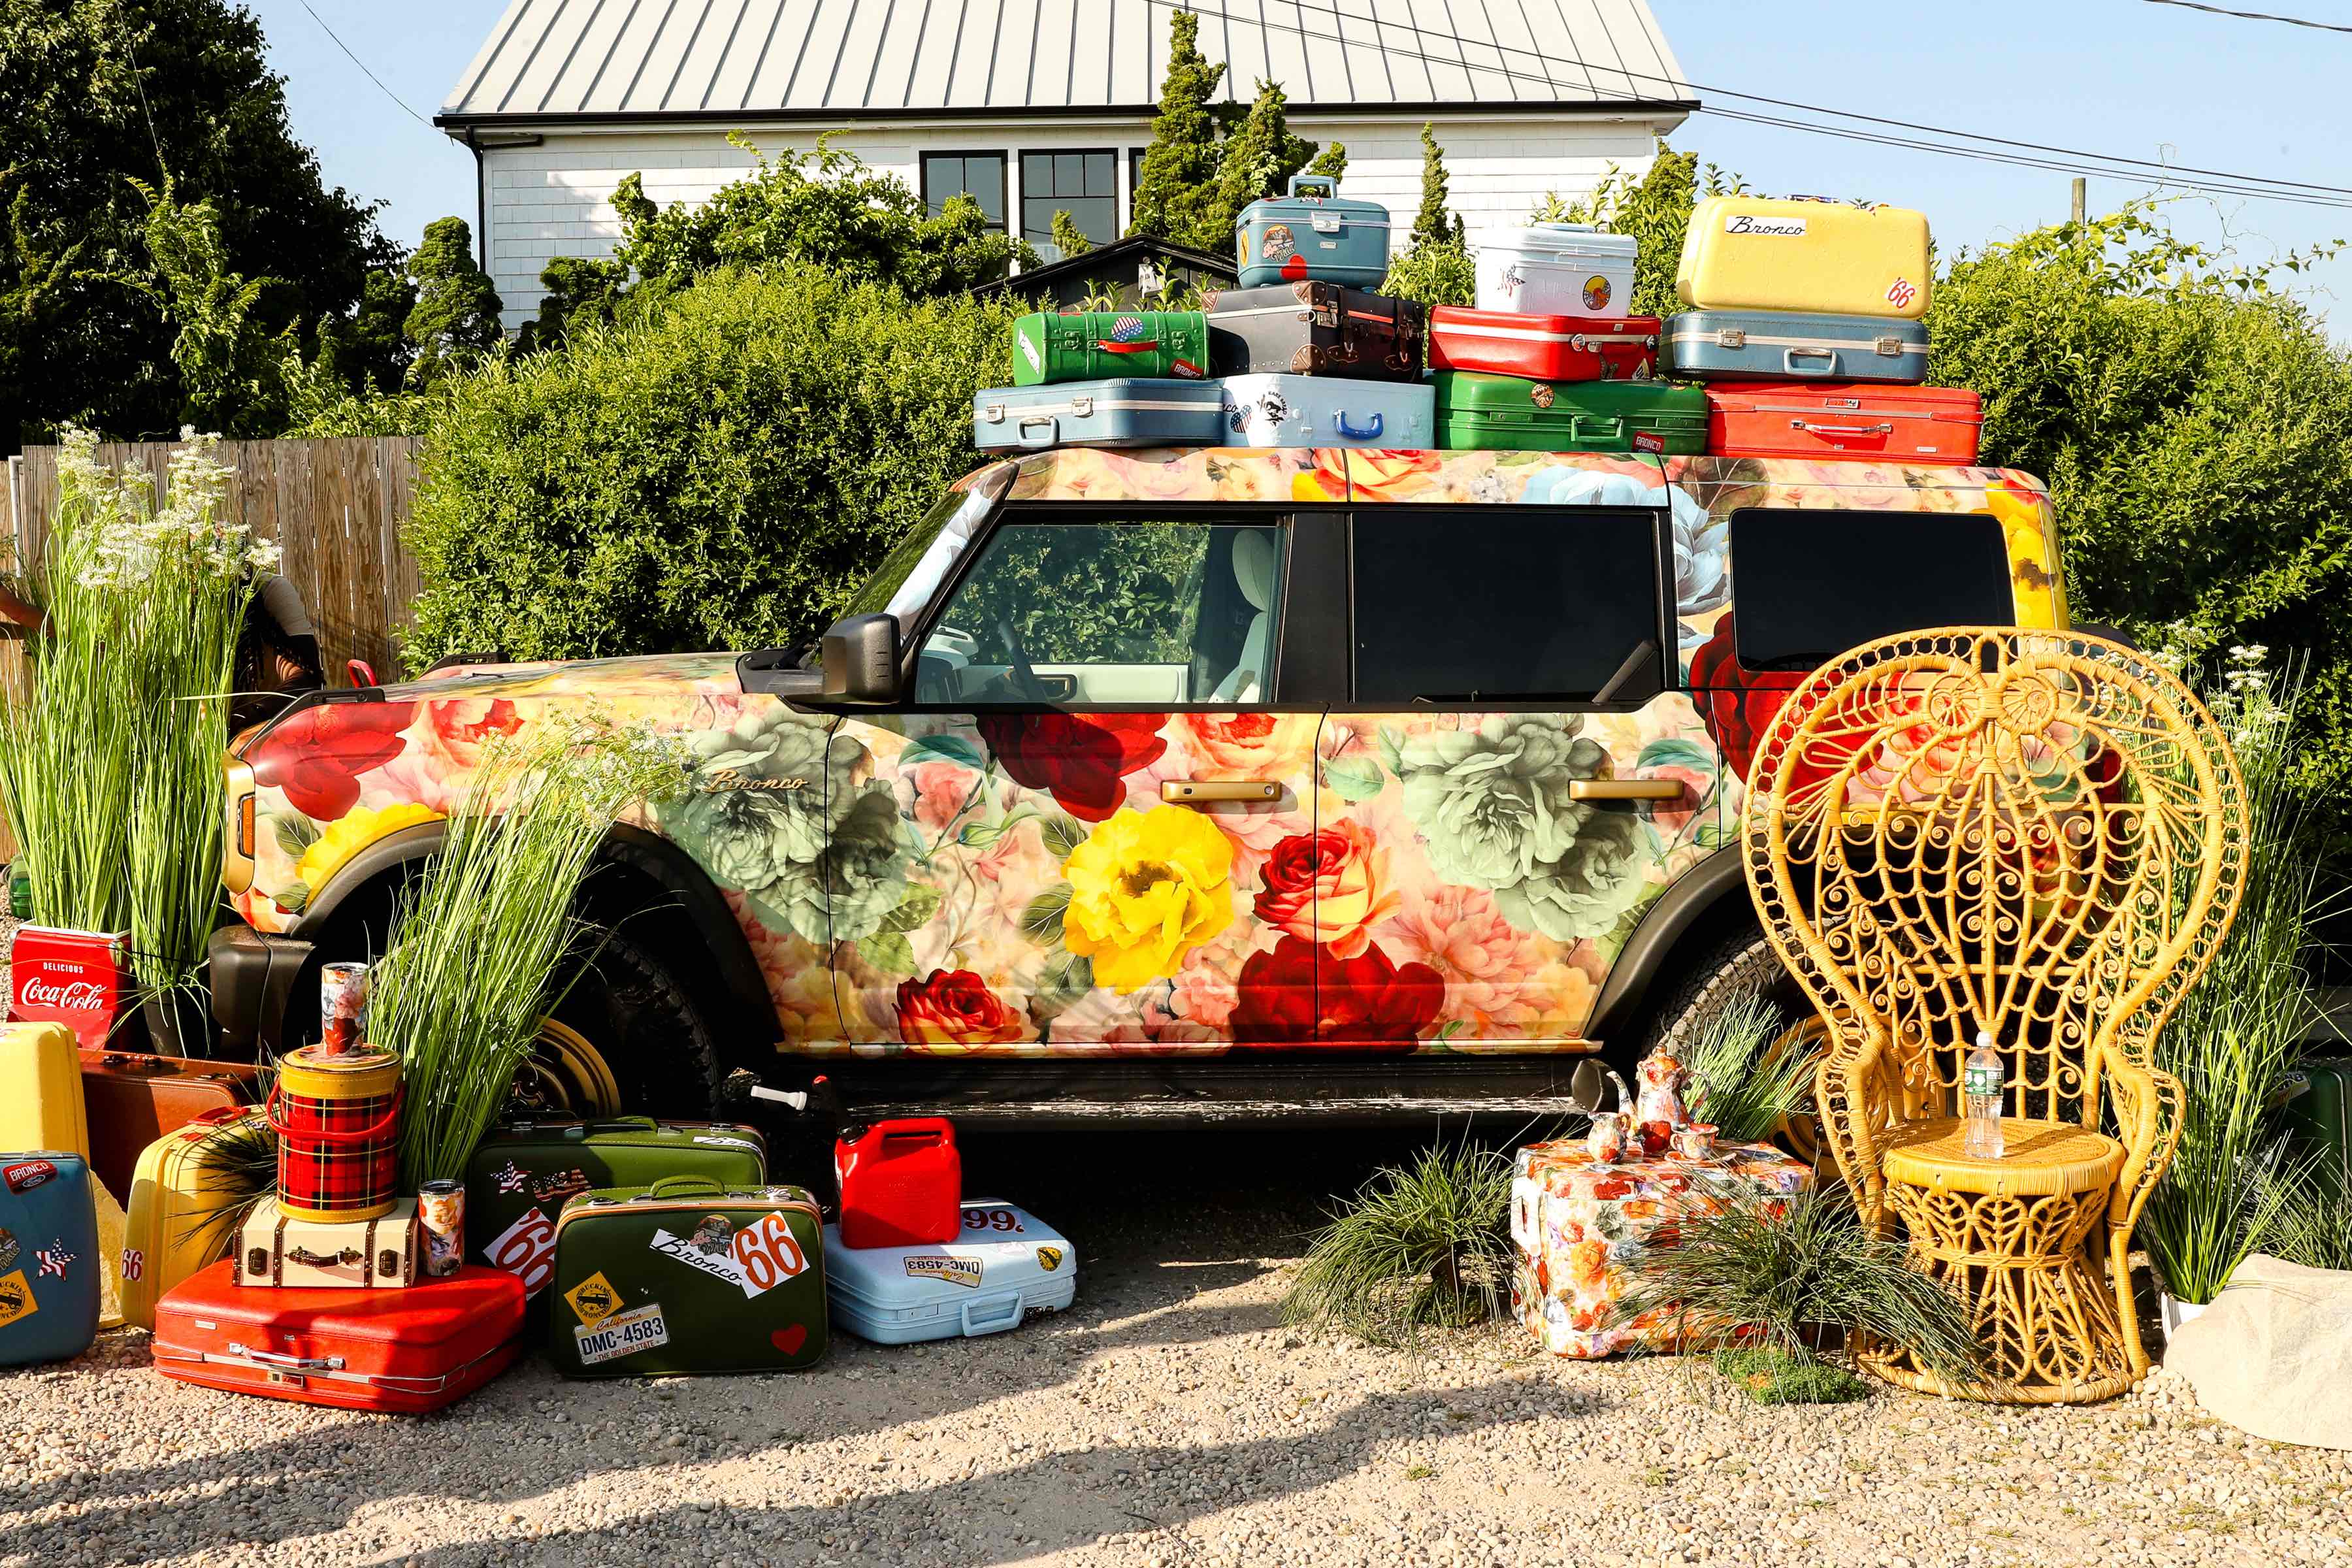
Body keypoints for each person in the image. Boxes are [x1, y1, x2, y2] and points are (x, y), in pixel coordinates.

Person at [230, 574, 325, 731]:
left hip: (265, 727)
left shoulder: (269, 588)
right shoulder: (186, 597)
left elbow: (306, 677)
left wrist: (255, 712)